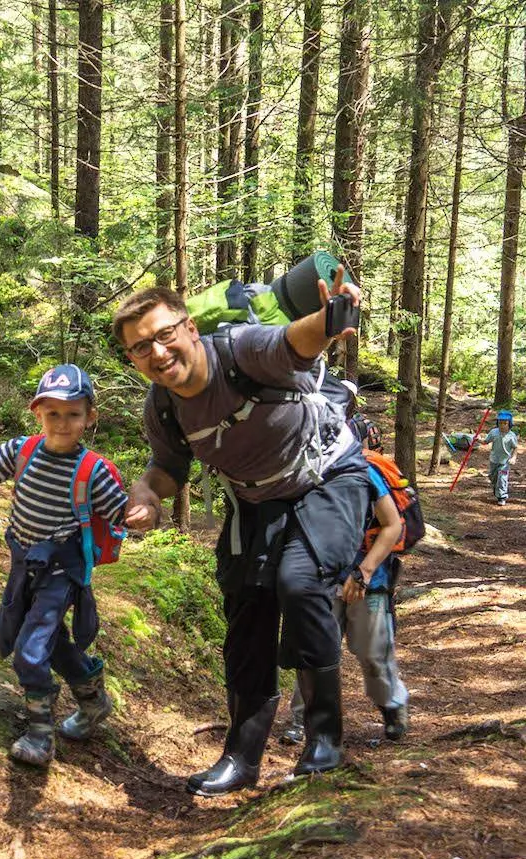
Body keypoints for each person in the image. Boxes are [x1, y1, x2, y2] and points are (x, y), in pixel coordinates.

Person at [113, 269, 371, 797]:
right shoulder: (162, 407)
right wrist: (144, 496)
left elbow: (293, 342)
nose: (158, 354)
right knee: (246, 613)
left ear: (188, 328)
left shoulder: (240, 351)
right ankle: (242, 756)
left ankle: (323, 738)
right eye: (141, 348)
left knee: (299, 585)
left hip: (328, 477)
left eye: (164, 336)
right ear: (133, 360)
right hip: (255, 499)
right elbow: (166, 468)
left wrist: (330, 318)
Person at [0, 364, 128, 767]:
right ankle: (93, 702)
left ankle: (40, 733)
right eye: (53, 413)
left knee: (30, 651)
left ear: (90, 416)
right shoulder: (23, 450)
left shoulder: (94, 471)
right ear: (38, 413)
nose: (63, 423)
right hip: (23, 565)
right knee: (46, 640)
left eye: (73, 413)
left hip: (62, 573)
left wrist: (147, 503)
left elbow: (122, 514)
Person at [279, 450, 409, 746]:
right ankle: (302, 718)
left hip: (369, 581)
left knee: (372, 653)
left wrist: (364, 571)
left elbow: (392, 525)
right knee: (312, 650)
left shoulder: (364, 470)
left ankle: (392, 706)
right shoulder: (302, 466)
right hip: (321, 579)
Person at [481, 411, 517, 506]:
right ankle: (496, 489)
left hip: (505, 462)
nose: (502, 425)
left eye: (505, 423)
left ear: (509, 424)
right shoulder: (494, 432)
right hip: (494, 460)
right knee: (493, 477)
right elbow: (486, 441)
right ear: (498, 423)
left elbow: (515, 447)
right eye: (500, 423)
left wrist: (513, 457)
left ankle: (502, 497)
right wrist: (479, 440)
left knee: (502, 478)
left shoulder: (511, 435)